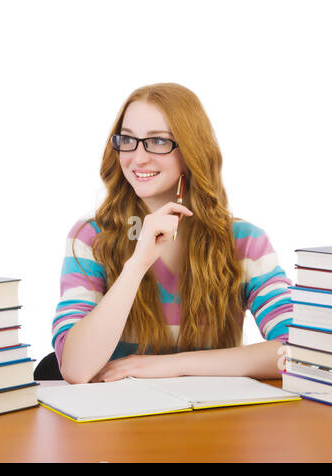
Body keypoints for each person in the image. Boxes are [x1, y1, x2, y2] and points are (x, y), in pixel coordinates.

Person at [53, 83, 293, 384]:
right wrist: (138, 263)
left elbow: (298, 353)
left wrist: (172, 365)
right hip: (118, 422)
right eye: (128, 140)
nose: (138, 158)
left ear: (192, 150)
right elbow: (75, 368)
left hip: (213, 420)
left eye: (158, 141)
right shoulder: (92, 238)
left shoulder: (244, 242)